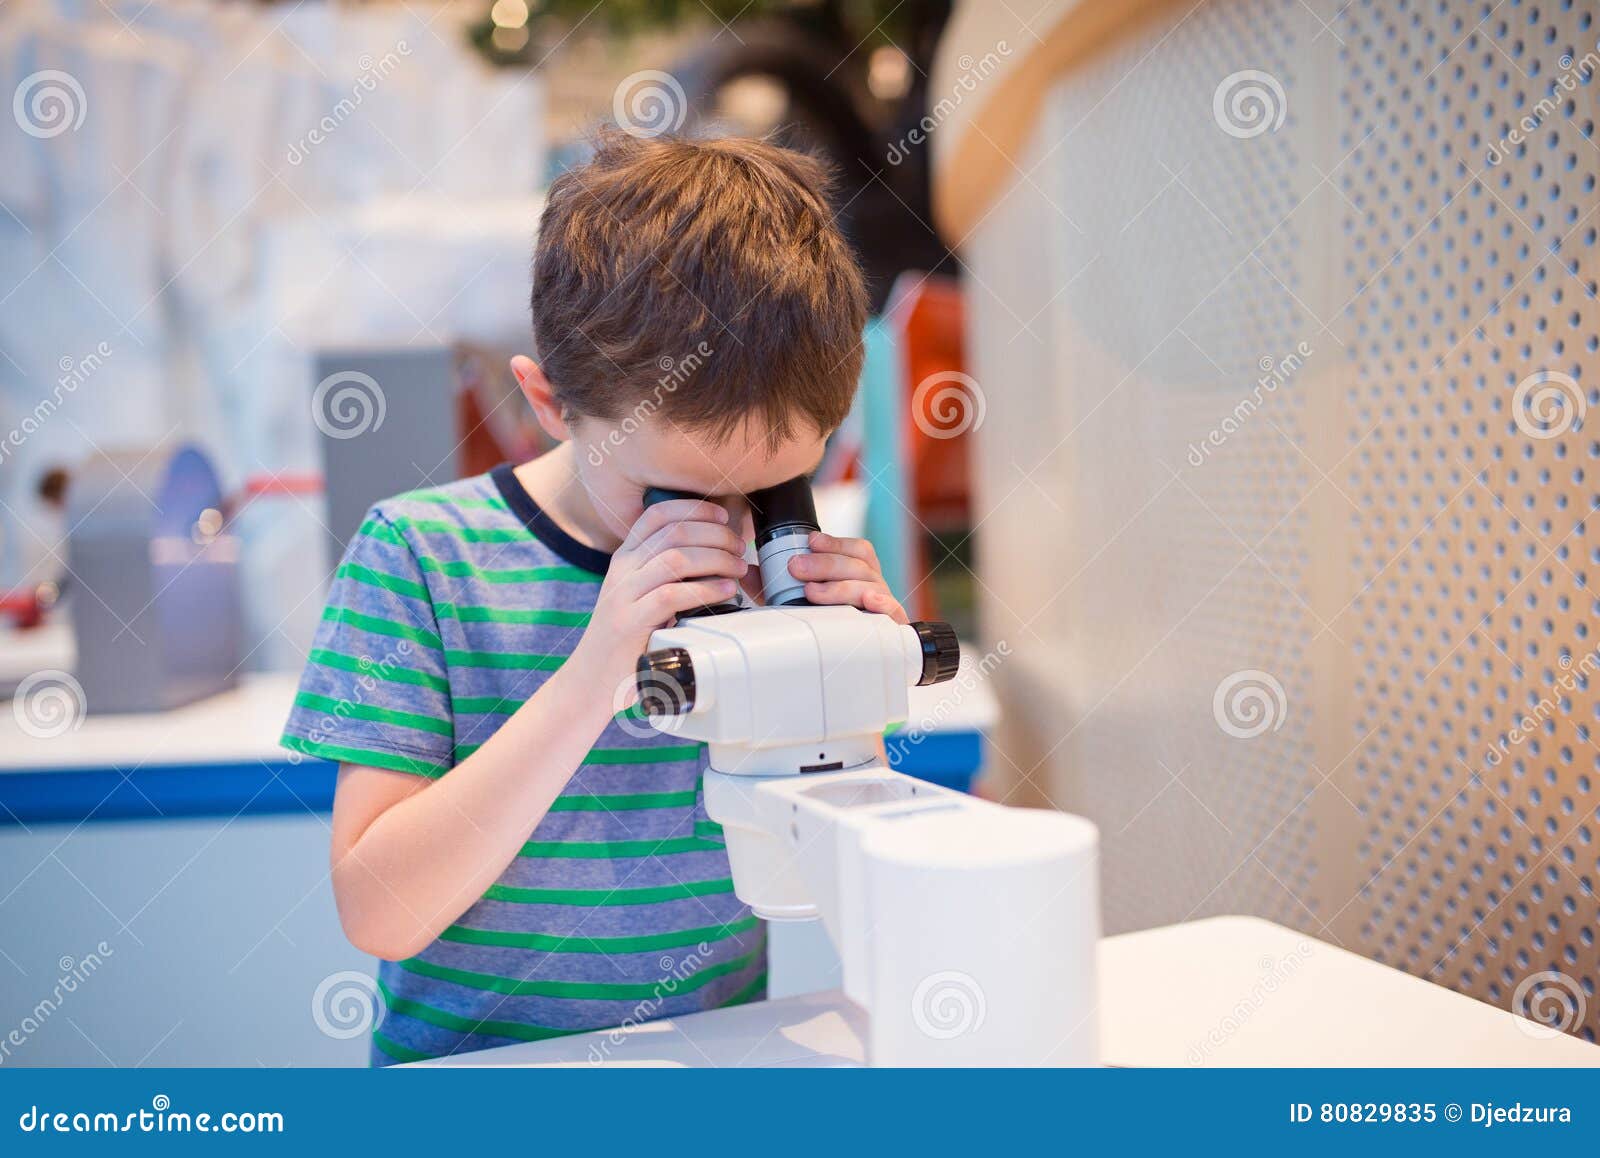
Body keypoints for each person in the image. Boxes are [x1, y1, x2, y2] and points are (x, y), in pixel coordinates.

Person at [280, 130, 905, 1064]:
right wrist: (595, 671)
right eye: (677, 495)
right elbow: (379, 912)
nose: (729, 532)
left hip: (710, 1061)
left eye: (773, 493)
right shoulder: (420, 558)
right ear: (549, 403)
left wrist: (846, 690)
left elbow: (836, 886)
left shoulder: (776, 582)